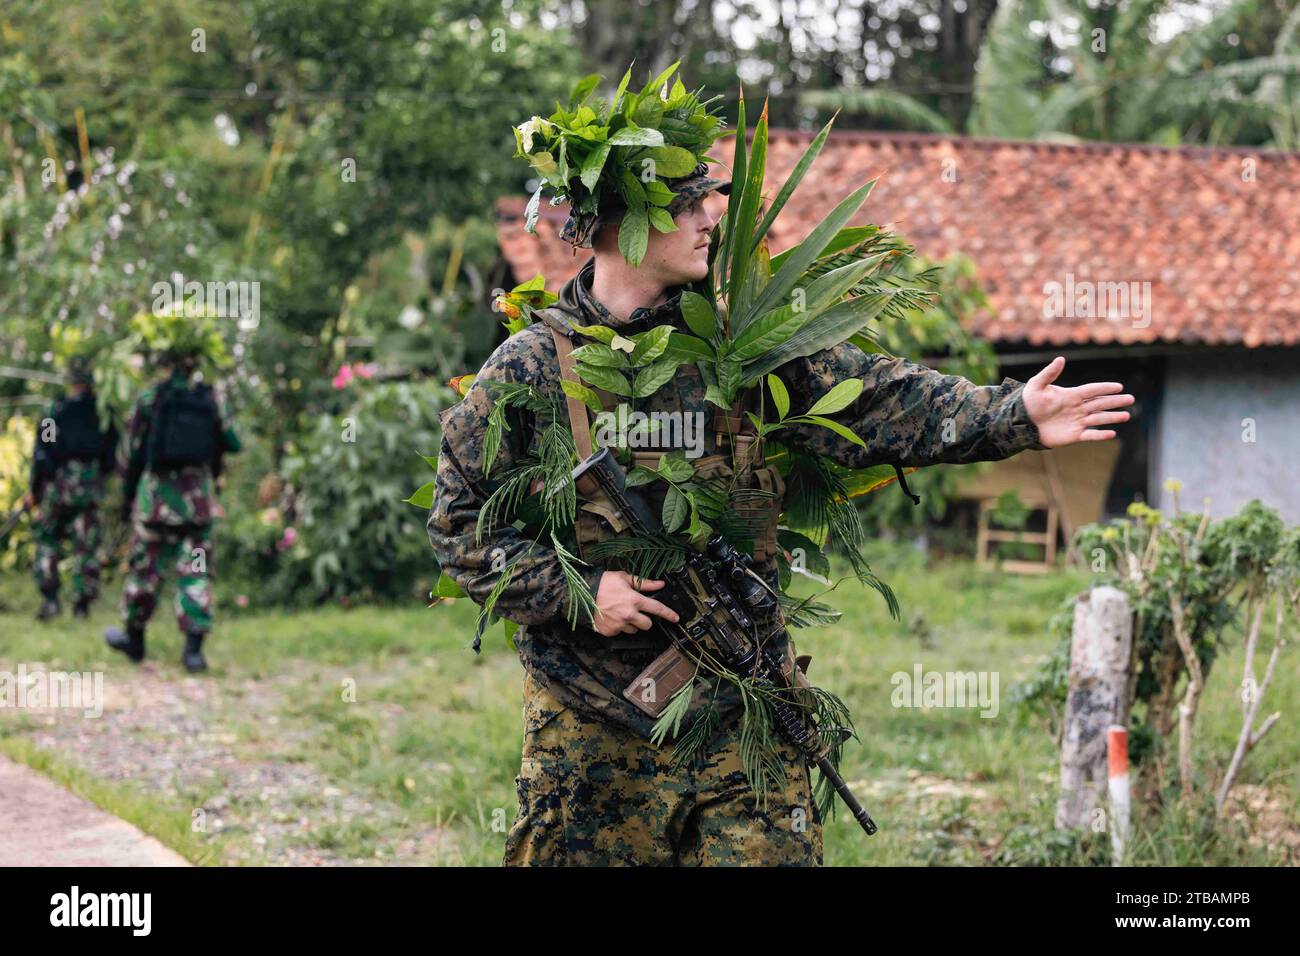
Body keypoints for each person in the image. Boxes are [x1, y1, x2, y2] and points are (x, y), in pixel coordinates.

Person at [428, 88, 1135, 867]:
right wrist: (582, 594)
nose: (710, 218)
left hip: (741, 703)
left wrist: (1013, 414)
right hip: (590, 731)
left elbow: (879, 399)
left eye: (707, 200)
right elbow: (460, 530)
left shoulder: (740, 344)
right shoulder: (527, 371)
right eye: (686, 204)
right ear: (625, 223)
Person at [104, 348, 241, 671]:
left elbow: (128, 454)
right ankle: (193, 651)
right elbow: (234, 442)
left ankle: (134, 639)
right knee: (196, 570)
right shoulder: (212, 399)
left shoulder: (150, 398)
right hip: (197, 505)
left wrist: (127, 497)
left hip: (156, 503)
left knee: (144, 570)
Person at [26, 357, 118, 621]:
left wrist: (35, 489)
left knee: (47, 540)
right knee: (86, 546)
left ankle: (51, 599)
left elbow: (42, 453)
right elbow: (112, 454)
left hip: (58, 487)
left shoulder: (55, 411)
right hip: (89, 488)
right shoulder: (103, 412)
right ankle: (81, 606)